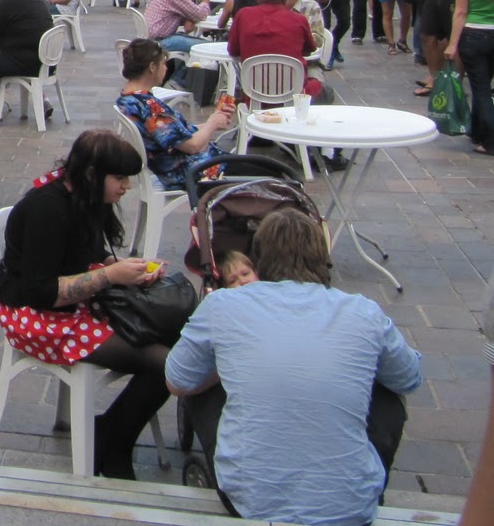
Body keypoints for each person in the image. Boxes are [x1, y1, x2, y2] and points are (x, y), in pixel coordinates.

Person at [166, 207, 422, 524]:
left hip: (253, 502)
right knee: (386, 389)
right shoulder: (363, 312)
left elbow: (177, 381)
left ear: (258, 261)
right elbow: (409, 377)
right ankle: (355, 475)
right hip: (350, 505)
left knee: (199, 385)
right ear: (323, 258)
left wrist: (231, 365)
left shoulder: (222, 304)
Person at [0, 130, 167, 479]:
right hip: (34, 316)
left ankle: (113, 433)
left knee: (174, 337)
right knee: (166, 364)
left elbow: (88, 255)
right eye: (119, 178)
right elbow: (41, 292)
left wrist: (126, 270)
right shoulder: (47, 208)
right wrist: (111, 275)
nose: (126, 187)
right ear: (91, 175)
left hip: (72, 306)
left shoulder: (85, 198)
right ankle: (114, 438)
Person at [114, 39, 232, 189]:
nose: (165, 68)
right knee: (265, 170)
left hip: (178, 170)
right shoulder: (149, 106)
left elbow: (172, 134)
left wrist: (212, 123)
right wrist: (212, 124)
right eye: (163, 64)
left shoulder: (127, 100)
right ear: (152, 67)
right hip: (193, 172)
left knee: (252, 166)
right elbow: (192, 146)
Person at [228, 0, 327, 101]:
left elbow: (233, 50)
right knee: (323, 89)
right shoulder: (299, 20)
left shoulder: (243, 15)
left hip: (254, 94)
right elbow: (309, 49)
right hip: (293, 94)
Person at [448, 0, 494, 154]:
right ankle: (478, 131)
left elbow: (461, 12)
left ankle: (489, 138)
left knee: (480, 87)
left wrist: (452, 44)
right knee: (486, 85)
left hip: (473, 34)